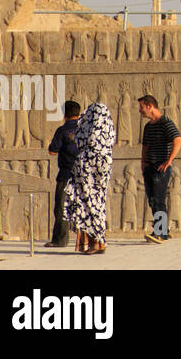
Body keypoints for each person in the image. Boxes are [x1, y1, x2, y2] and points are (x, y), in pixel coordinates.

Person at [64, 101, 116, 254]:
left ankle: (94, 243)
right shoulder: (109, 130)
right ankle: (100, 242)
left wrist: (76, 137)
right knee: (98, 205)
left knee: (88, 206)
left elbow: (86, 141)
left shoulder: (91, 132)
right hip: (103, 168)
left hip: (88, 171)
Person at [138, 94, 181, 242]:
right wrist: (143, 162)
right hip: (149, 167)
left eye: (142, 107)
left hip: (160, 168)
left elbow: (178, 139)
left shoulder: (165, 122)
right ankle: (164, 228)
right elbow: (145, 145)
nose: (140, 110)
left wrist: (169, 160)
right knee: (152, 199)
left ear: (150, 106)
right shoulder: (148, 126)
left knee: (158, 199)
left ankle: (160, 232)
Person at [44, 100, 81, 247]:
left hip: (66, 173)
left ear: (64, 114)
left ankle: (60, 239)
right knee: (82, 207)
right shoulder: (86, 129)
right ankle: (83, 240)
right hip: (83, 174)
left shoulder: (63, 131)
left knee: (62, 207)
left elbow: (53, 150)